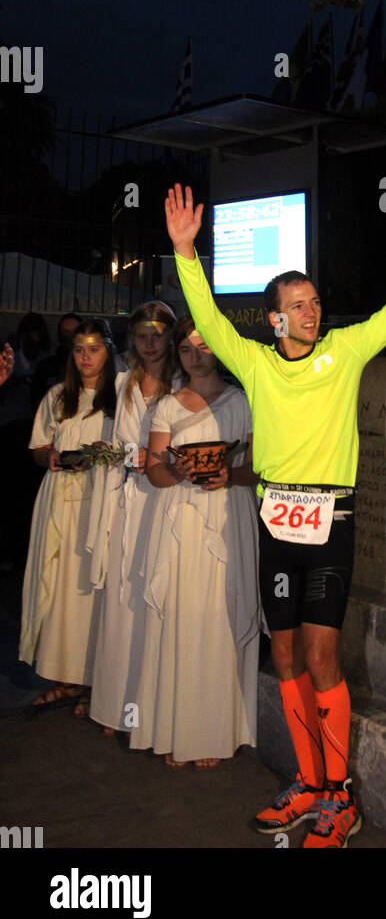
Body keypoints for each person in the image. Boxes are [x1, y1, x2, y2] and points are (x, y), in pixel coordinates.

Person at [164, 180, 386, 848]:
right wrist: (186, 254)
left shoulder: (346, 352)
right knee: (284, 655)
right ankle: (309, 783)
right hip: (274, 524)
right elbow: (213, 322)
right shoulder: (255, 363)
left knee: (322, 652)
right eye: (298, 305)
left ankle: (341, 795)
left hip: (329, 522)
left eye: (314, 302)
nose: (312, 311)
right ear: (275, 318)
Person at [128, 315, 259, 768]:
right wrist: (177, 472)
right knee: (181, 619)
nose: (195, 356)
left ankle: (214, 733)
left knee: (218, 619)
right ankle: (175, 729)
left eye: (203, 347)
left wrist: (230, 474)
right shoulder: (166, 406)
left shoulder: (242, 400)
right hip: (180, 520)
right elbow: (154, 470)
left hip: (226, 514)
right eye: (186, 349)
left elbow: (257, 468)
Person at [87, 302, 180, 736]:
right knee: (124, 601)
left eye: (158, 333)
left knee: (156, 601)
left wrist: (161, 459)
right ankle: (119, 707)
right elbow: (109, 448)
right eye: (142, 333)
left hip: (167, 500)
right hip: (128, 499)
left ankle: (154, 711)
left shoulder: (183, 384)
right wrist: (134, 456)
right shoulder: (123, 383)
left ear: (170, 338)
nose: (149, 341)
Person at [20, 320, 117, 714]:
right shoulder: (58, 397)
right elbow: (38, 447)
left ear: (108, 352)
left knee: (95, 589)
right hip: (60, 499)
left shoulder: (120, 396)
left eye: (93, 349)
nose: (86, 358)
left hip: (100, 500)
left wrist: (102, 456)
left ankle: (98, 679)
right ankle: (67, 677)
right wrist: (52, 457)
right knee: (60, 589)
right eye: (79, 350)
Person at [30, 313, 83, 412]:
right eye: (65, 333)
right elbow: (35, 400)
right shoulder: (45, 366)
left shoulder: (88, 367)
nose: (69, 337)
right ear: (59, 335)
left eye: (73, 333)